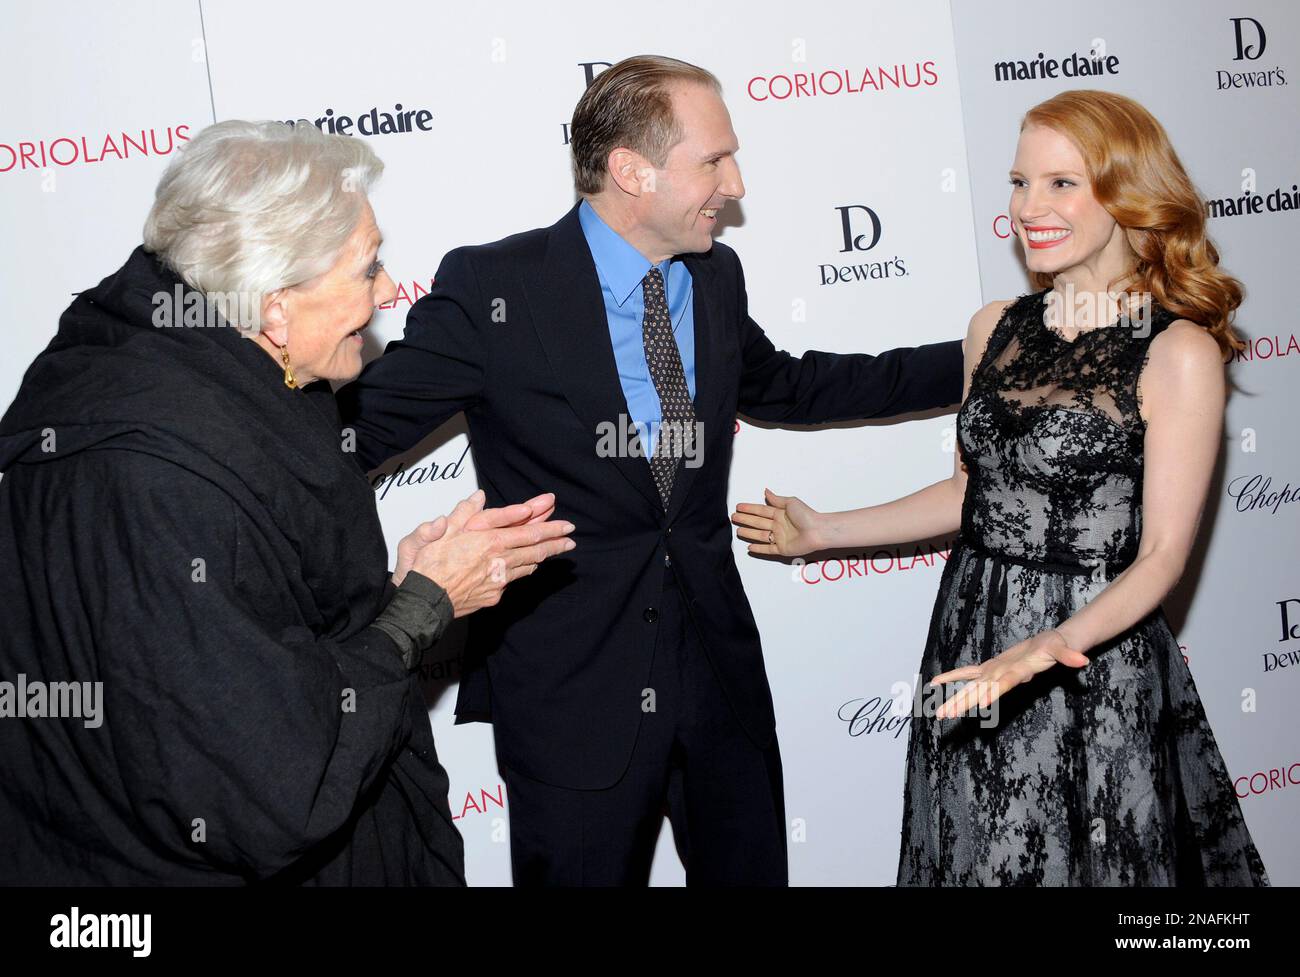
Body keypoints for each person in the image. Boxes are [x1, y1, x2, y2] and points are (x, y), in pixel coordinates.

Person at [337, 55, 965, 886]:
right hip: (571, 691)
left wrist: (987, 359)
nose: (735, 184)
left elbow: (795, 385)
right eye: (714, 161)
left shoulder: (714, 276)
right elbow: (354, 432)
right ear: (632, 170)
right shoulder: (499, 289)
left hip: (719, 677)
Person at [0, 120, 575, 885]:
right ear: (274, 304)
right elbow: (272, 784)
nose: (385, 293)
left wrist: (396, 591)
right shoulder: (155, 479)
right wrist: (420, 610)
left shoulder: (214, 369)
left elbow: (254, 647)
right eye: (366, 269)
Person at [732, 90, 1271, 886]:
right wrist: (823, 531)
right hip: (971, 636)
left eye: (1061, 183)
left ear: (1126, 193)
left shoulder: (1178, 353)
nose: (1028, 208)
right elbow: (969, 498)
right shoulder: (994, 328)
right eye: (1020, 183)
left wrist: (1048, 647)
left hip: (1092, 656)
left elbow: (1160, 557)